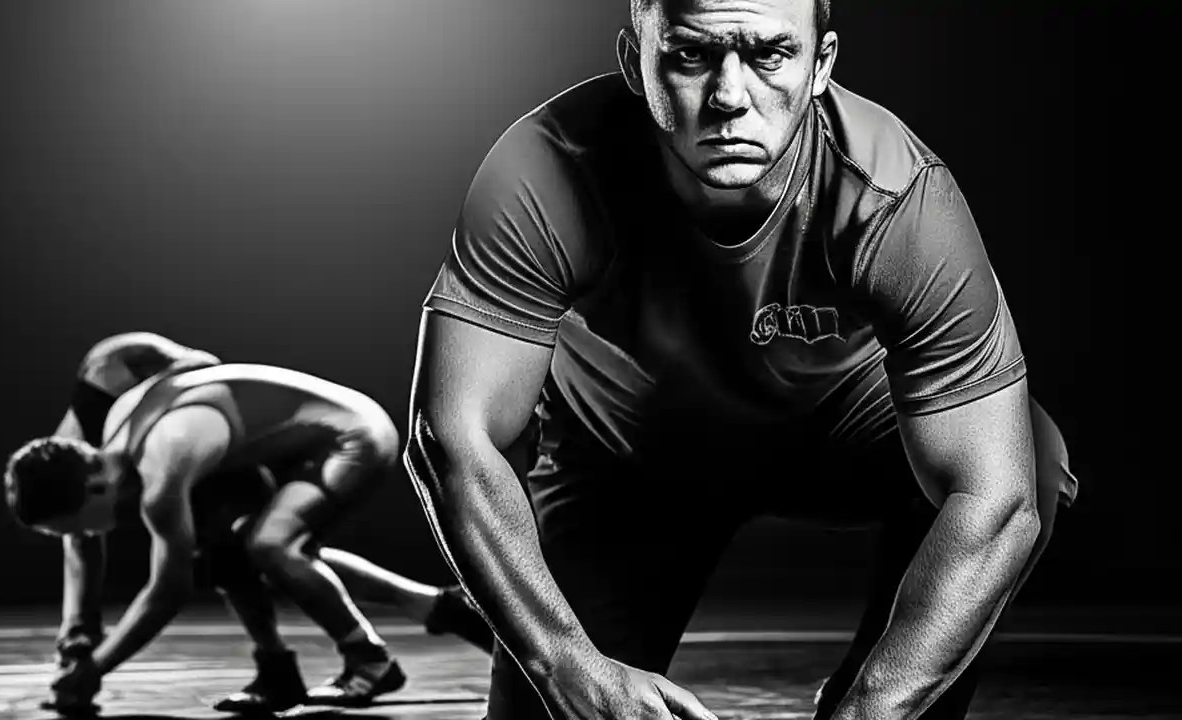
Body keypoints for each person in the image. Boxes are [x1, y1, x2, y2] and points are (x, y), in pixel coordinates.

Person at [402, 1, 1080, 719]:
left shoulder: (894, 194)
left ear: (821, 65)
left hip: (840, 436)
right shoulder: (545, 168)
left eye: (768, 55)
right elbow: (452, 438)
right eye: (692, 56)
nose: (730, 97)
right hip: (628, 458)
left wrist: (874, 706)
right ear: (636, 61)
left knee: (1024, 454)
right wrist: (564, 662)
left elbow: (997, 497)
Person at [10, 339, 492, 715]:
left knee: (271, 545)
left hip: (352, 435)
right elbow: (198, 366)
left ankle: (369, 659)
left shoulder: (162, 465)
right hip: (287, 441)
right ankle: (437, 610)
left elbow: (168, 592)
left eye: (74, 528)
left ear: (93, 488)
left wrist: (96, 668)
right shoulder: (121, 425)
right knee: (231, 551)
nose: (86, 536)